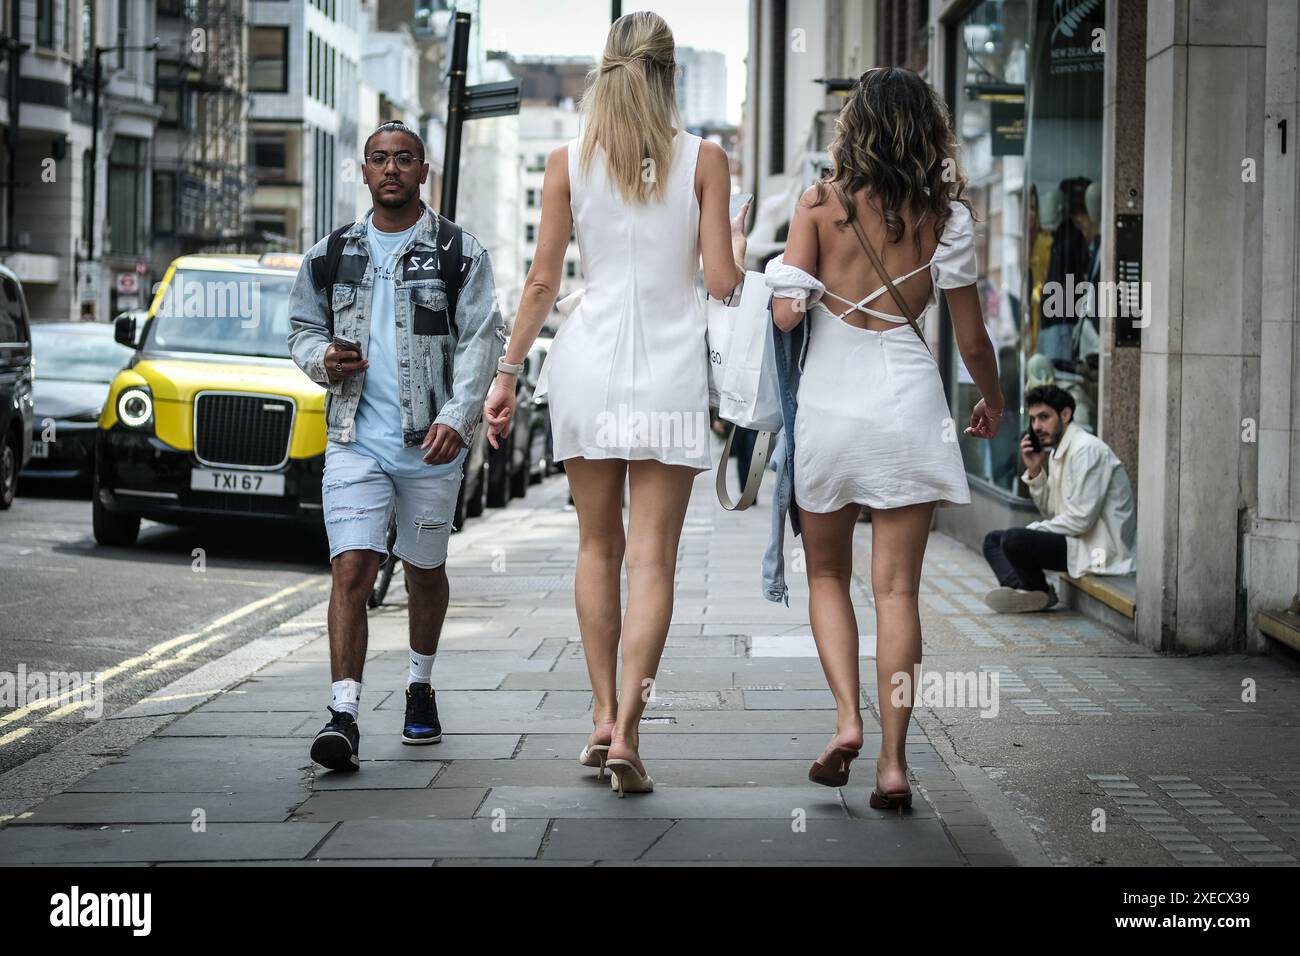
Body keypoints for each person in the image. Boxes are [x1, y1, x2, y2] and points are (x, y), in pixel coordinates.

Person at [483, 11, 748, 797]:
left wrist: (506, 373)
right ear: (669, 75)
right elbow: (724, 284)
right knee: (653, 556)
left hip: (587, 364)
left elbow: (540, 282)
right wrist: (728, 233)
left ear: (605, 71)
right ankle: (631, 729)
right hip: (668, 370)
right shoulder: (705, 159)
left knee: (598, 546)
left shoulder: (569, 161)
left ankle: (600, 716)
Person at [763, 67, 1003, 809]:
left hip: (831, 411)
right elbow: (970, 338)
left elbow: (784, 316)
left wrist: (789, 283)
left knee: (827, 578)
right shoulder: (947, 218)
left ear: (854, 128)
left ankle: (846, 721)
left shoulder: (818, 204)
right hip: (909, 406)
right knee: (898, 591)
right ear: (925, 130)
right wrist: (993, 400)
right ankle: (895, 766)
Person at [287, 121, 505, 771]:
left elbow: (481, 342)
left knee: (423, 570)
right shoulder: (330, 255)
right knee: (351, 568)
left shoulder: (459, 254)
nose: (391, 169)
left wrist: (459, 416)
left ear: (423, 170)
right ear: (363, 171)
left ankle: (419, 686)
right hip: (354, 436)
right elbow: (300, 329)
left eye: (404, 158)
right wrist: (321, 357)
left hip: (431, 443)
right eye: (379, 159)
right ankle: (344, 714)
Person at [982, 384, 1135, 613]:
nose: (1037, 427)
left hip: (1100, 551)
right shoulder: (1058, 452)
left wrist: (1033, 530)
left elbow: (1080, 520)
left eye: (1044, 417)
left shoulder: (1087, 450)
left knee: (1014, 539)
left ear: (1065, 415)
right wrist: (1035, 471)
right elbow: (1054, 514)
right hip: (1077, 541)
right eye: (1033, 419)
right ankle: (1030, 592)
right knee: (993, 541)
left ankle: (1035, 591)